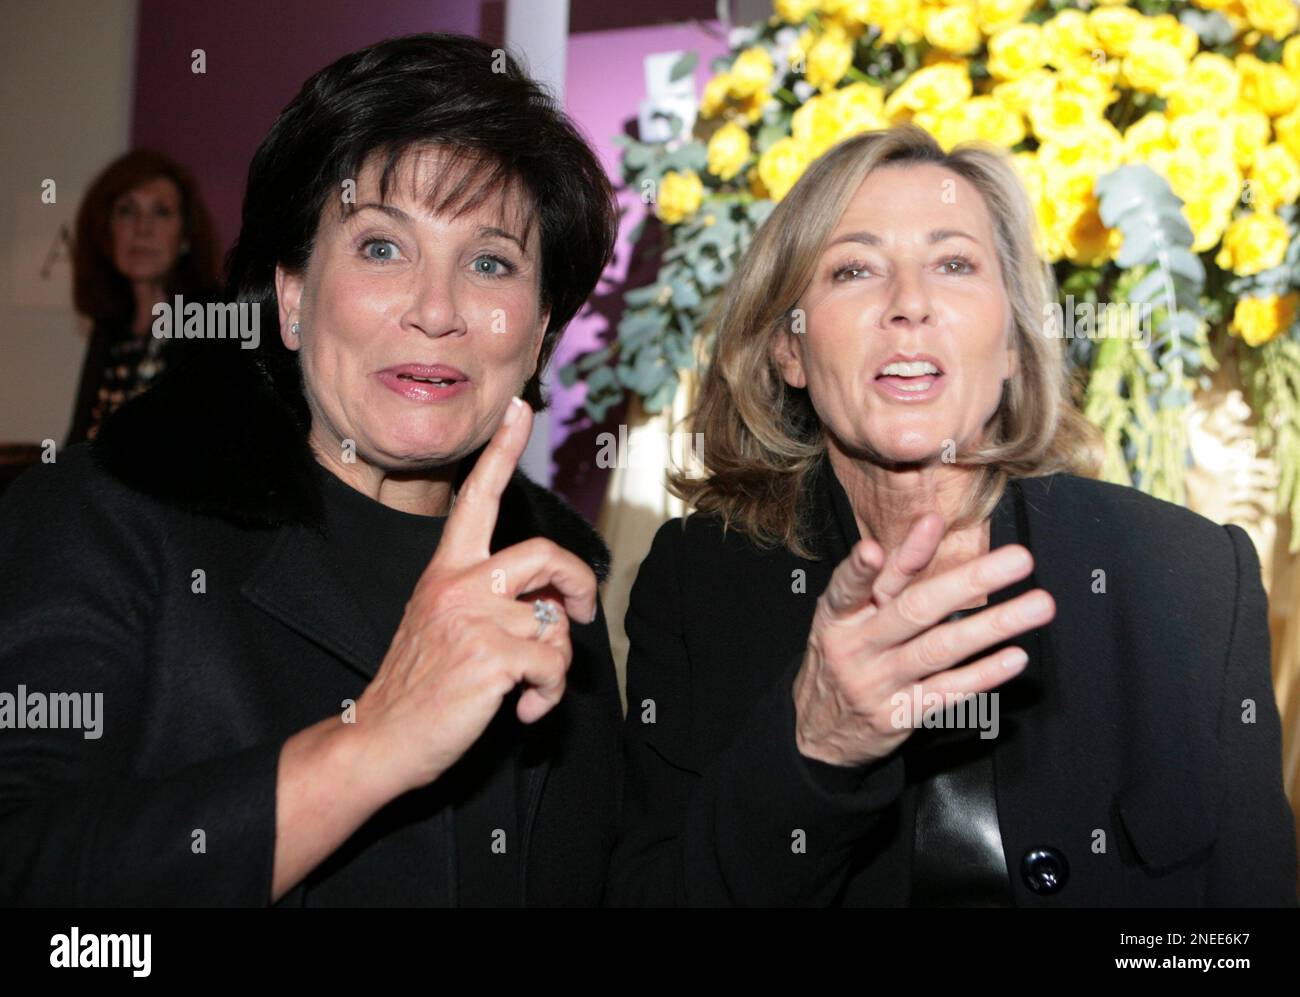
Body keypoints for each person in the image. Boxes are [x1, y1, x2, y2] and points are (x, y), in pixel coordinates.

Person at [0, 33, 620, 906]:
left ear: (540, 328)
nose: (436, 310)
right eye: (380, 247)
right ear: (291, 297)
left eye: (489, 262)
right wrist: (373, 743)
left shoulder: (552, 584)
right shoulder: (104, 520)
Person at [607, 123, 1298, 907]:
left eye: (954, 263)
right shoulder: (700, 583)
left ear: (1010, 342)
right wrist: (813, 747)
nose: (909, 304)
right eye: (855, 268)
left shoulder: (1190, 577)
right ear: (788, 351)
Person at [67, 149, 220, 445]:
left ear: (186, 236)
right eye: (127, 210)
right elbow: (78, 442)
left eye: (161, 212)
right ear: (106, 232)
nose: (142, 228)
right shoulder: (109, 328)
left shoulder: (213, 321)